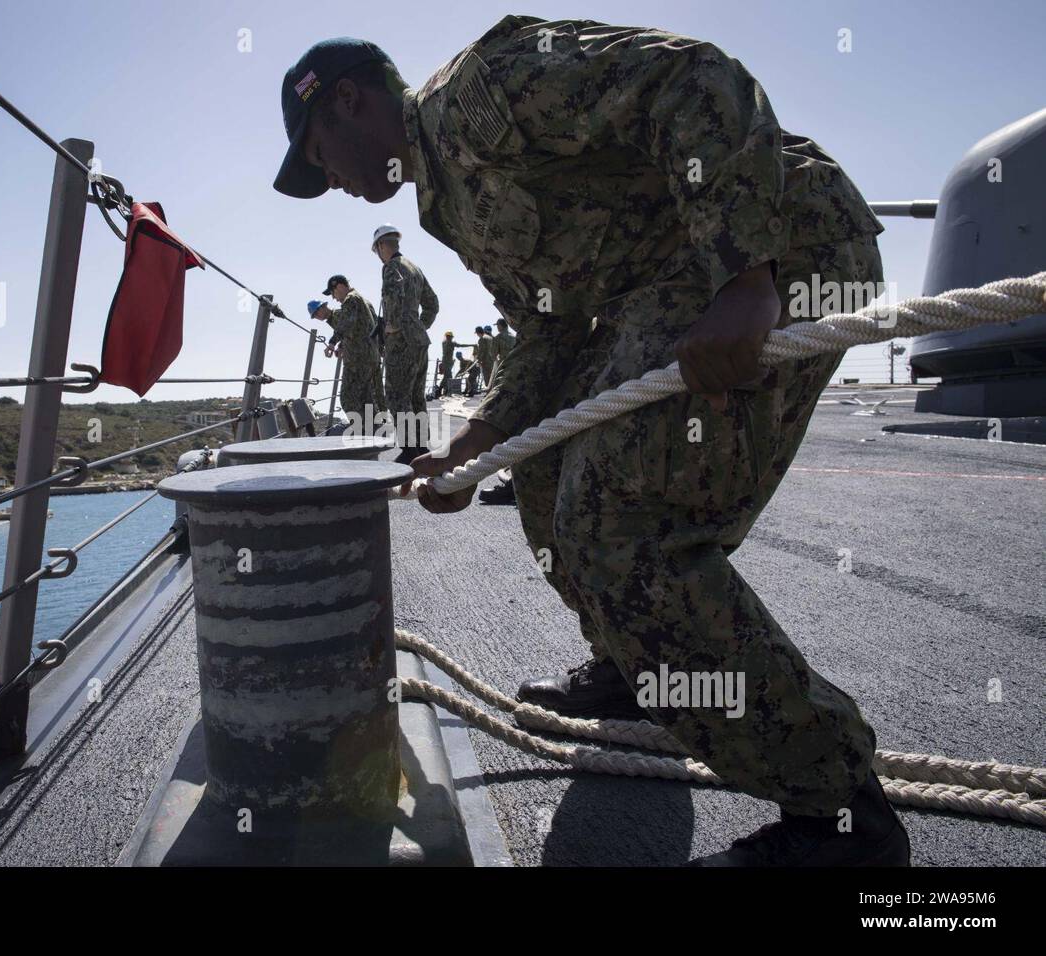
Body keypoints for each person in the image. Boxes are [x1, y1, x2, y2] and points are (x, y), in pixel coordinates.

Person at [272, 18, 904, 867]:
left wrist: (742, 271)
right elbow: (550, 325)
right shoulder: (447, 205)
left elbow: (695, 82)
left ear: (348, 100)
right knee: (539, 471)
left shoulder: (479, 94)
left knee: (616, 521)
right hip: (671, 286)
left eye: (319, 156)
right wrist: (481, 443)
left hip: (781, 243)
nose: (332, 184)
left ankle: (837, 813)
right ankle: (636, 664)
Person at [371, 224, 438, 463]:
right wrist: (419, 326)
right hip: (419, 341)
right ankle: (422, 448)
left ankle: (410, 450)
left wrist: (396, 325)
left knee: (397, 396)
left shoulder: (391, 267)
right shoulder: (415, 268)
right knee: (416, 397)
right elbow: (432, 303)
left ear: (381, 246)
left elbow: (392, 296)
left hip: (401, 343)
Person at [311, 278, 386, 432]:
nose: (333, 297)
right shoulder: (362, 300)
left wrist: (332, 343)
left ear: (339, 286)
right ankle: (374, 429)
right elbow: (363, 327)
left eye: (332, 292)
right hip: (370, 355)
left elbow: (346, 323)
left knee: (347, 398)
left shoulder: (350, 300)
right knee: (366, 397)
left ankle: (361, 430)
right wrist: (344, 345)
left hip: (358, 358)